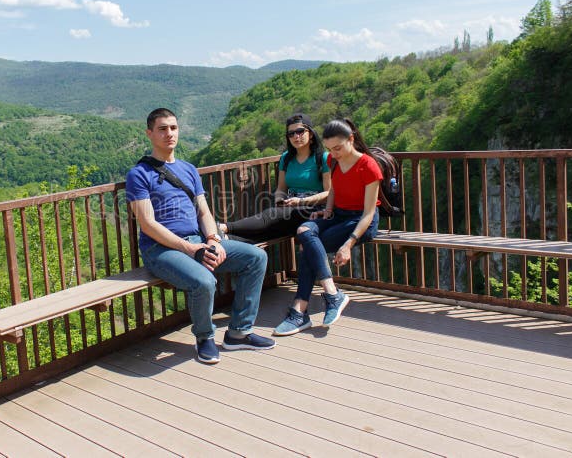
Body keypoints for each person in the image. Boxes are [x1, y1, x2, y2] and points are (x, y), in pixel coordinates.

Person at [126, 108, 276, 364]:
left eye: (173, 128)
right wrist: (189, 248)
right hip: (161, 250)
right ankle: (204, 337)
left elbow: (204, 210)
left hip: (198, 241)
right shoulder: (139, 174)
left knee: (256, 257)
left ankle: (239, 332)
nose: (169, 134)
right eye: (162, 129)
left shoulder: (188, 169)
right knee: (205, 281)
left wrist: (212, 240)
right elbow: (148, 224)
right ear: (149, 133)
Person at [273, 118, 381, 335]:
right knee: (304, 230)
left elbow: (368, 213)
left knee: (307, 248)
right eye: (331, 149)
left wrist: (348, 244)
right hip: (338, 215)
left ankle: (299, 311)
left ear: (351, 139)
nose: (335, 154)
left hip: (361, 221)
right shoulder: (332, 160)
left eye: (339, 148)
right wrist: (328, 210)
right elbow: (333, 189)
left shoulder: (368, 166)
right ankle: (332, 293)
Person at [218, 113, 330, 243]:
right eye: (291, 134)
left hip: (314, 209)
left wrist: (302, 201)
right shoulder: (286, 158)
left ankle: (224, 227)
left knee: (271, 216)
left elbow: (329, 193)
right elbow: (281, 188)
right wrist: (279, 199)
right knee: (271, 231)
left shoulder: (323, 158)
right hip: (290, 207)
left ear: (310, 133)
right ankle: (227, 239)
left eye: (300, 131)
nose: (296, 136)